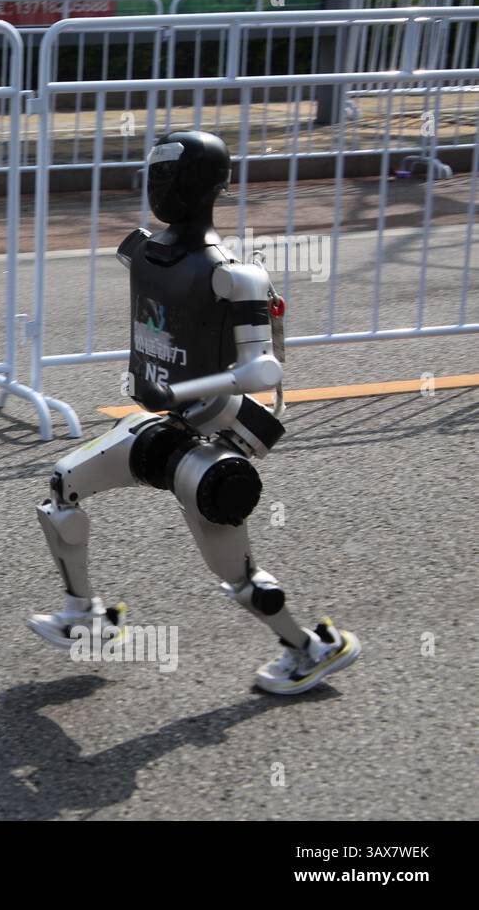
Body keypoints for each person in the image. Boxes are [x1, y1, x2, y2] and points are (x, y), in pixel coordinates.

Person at [25, 130, 360, 696]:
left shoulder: (235, 275)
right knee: (63, 487)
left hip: (214, 438)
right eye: (153, 172)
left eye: (171, 174)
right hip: (161, 426)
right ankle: (83, 613)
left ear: (204, 186)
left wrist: (177, 392)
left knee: (236, 575)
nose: (159, 185)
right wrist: (159, 391)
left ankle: (309, 648)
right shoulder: (144, 251)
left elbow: (263, 373)